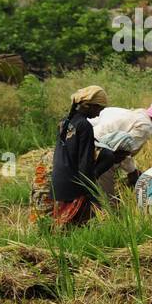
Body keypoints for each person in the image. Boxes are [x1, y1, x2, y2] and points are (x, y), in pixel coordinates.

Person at [33, 86, 125, 226]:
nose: (99, 113)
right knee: (79, 228)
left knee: (62, 229)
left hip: (58, 182)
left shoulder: (65, 121)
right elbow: (84, 163)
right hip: (73, 186)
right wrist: (92, 192)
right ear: (90, 105)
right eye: (99, 108)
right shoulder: (84, 126)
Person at [91, 102, 152, 198]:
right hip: (99, 152)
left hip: (84, 143)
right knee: (107, 202)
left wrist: (132, 170)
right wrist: (132, 173)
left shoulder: (137, 113)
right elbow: (121, 153)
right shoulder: (146, 127)